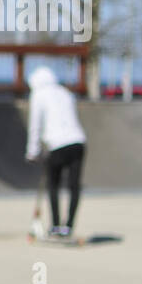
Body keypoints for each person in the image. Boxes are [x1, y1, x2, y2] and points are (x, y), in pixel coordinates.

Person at [25, 65, 87, 238]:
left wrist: (32, 152)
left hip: (57, 144)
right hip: (78, 142)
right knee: (74, 186)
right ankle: (69, 226)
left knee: (53, 184)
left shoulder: (38, 95)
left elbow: (35, 125)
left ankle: (56, 225)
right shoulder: (66, 93)